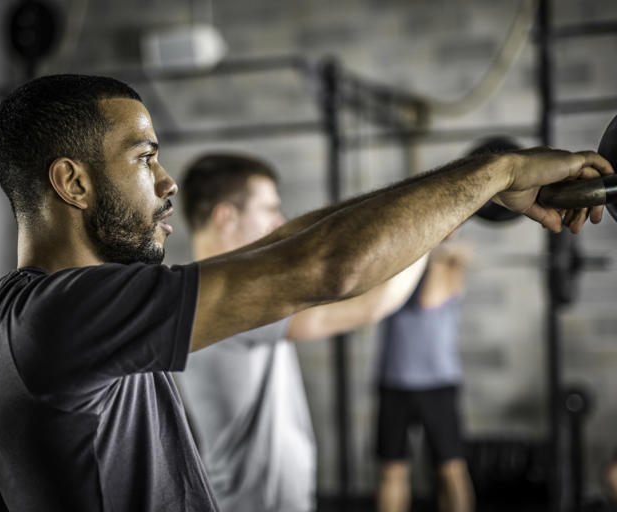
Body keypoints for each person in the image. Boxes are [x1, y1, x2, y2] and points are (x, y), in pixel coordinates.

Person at [0, 73, 612, 512]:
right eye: (143, 157)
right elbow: (326, 267)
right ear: (71, 183)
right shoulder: (58, 316)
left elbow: (286, 246)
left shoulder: (48, 307)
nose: (166, 182)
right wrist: (496, 170)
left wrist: (475, 193)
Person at [174, 152, 427, 512]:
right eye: (268, 209)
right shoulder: (221, 297)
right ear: (226, 217)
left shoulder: (211, 288)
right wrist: (428, 235)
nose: (279, 222)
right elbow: (371, 304)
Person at [375, 234, 475, 512]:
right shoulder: (394, 265)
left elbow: (428, 299)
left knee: (450, 470)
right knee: (391, 470)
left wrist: (434, 251)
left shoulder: (449, 263)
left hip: (437, 383)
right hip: (394, 380)